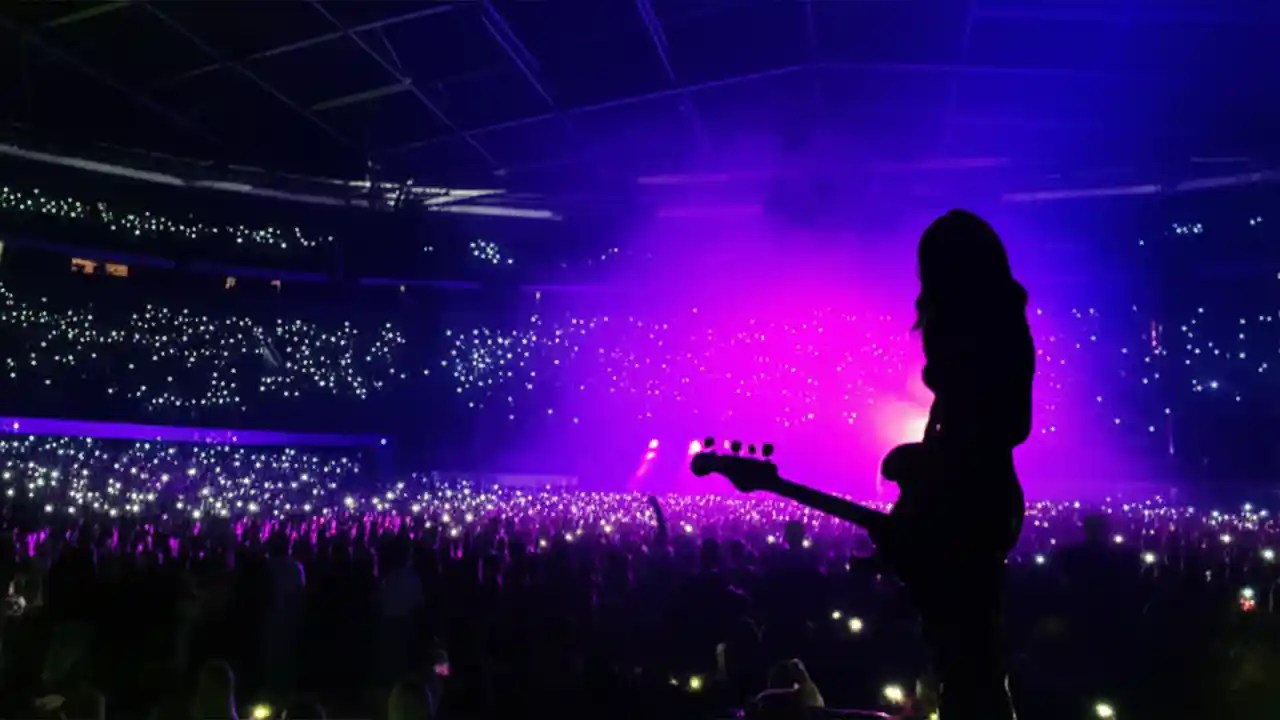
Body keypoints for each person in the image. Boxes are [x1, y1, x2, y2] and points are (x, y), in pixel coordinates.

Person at [882, 209, 1032, 719]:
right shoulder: (1000, 333)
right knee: (966, 657)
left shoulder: (986, 342)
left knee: (968, 659)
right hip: (982, 497)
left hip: (973, 501)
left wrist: (935, 463)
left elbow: (1009, 424)